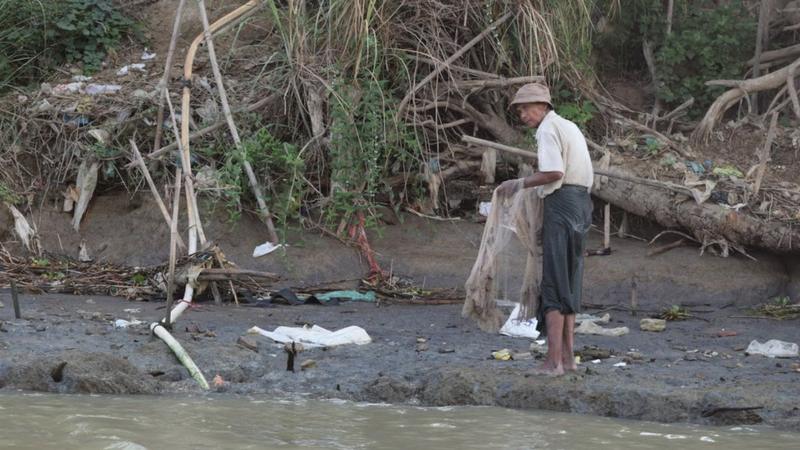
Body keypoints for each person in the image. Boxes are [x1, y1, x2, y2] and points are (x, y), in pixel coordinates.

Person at [497, 83, 594, 376]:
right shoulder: (568, 126)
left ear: (542, 106)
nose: (523, 116)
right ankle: (568, 359)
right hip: (581, 205)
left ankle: (553, 362)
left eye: (526, 109)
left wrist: (520, 183)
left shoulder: (548, 129)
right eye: (519, 111)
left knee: (553, 281)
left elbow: (554, 172)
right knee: (569, 281)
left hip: (562, 205)